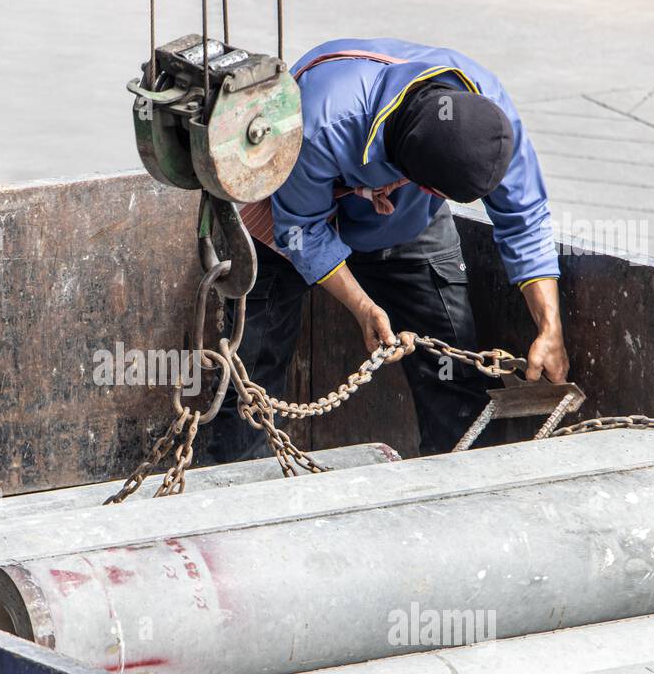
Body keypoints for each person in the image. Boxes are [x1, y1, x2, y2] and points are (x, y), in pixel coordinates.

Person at [211, 38, 569, 460]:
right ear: (416, 182)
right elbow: (302, 231)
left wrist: (550, 328)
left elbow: (524, 216)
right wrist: (363, 306)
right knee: (251, 378)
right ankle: (236, 492)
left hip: (408, 223)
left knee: (454, 373)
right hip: (294, 213)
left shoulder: (487, 115)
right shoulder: (323, 121)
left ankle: (455, 491)